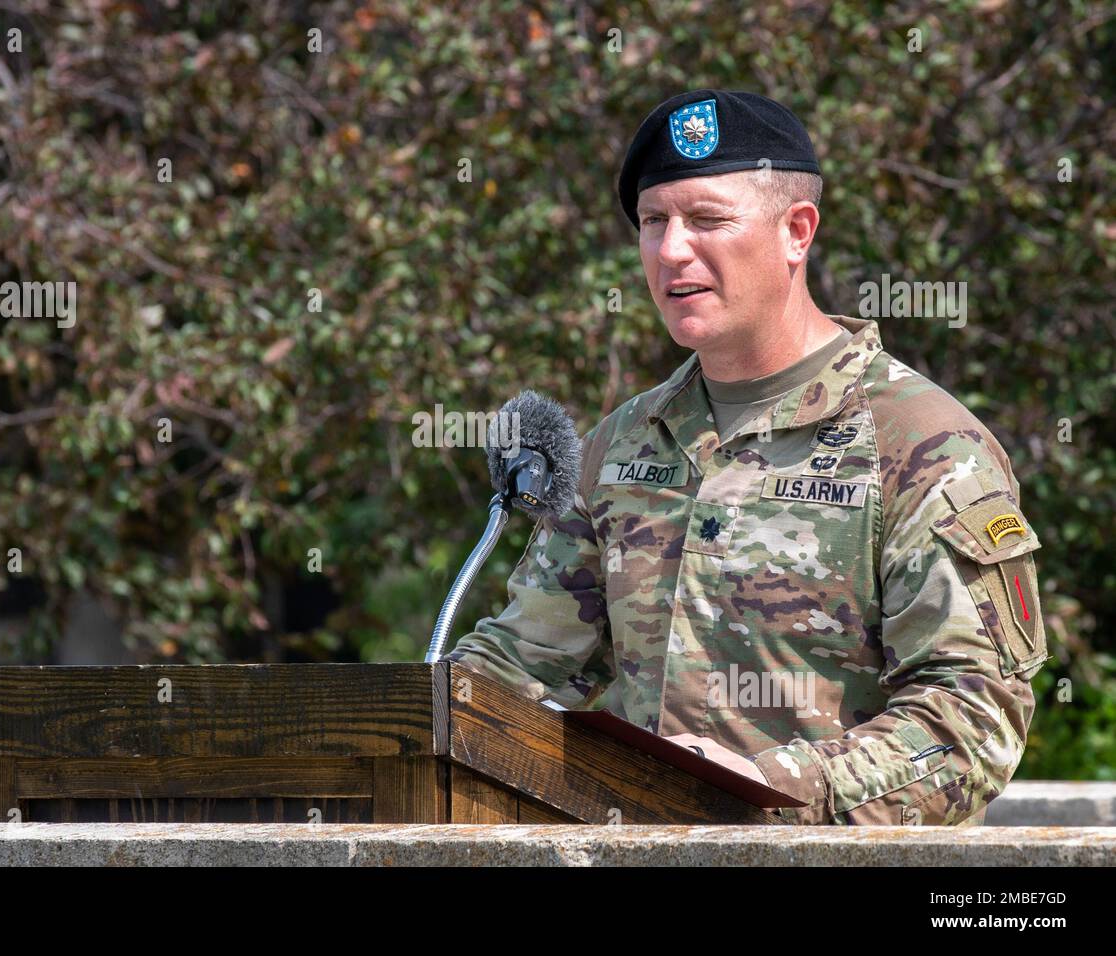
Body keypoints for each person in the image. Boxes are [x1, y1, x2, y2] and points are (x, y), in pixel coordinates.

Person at [444, 89, 1046, 826]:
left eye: (707, 220)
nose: (670, 250)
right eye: (654, 221)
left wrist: (780, 785)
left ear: (797, 231)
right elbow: (528, 662)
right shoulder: (626, 441)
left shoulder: (922, 444)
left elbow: (975, 716)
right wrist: (408, 720)